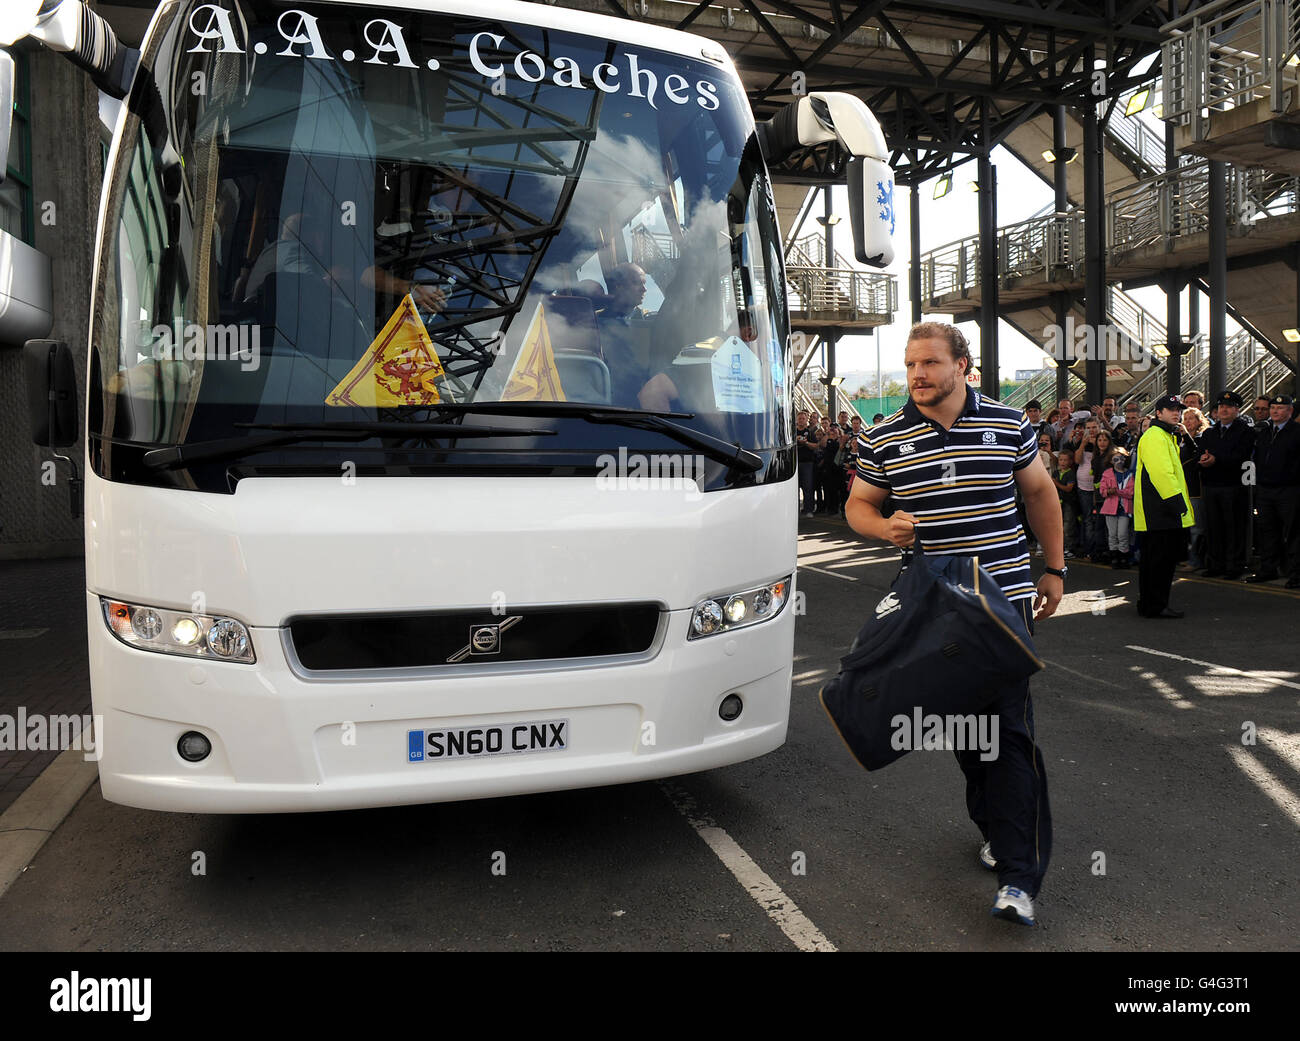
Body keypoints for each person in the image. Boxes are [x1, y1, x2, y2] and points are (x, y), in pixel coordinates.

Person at [845, 321, 1061, 927]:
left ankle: (1019, 879)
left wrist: (1055, 568)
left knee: (1010, 733)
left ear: (962, 365)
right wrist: (882, 526)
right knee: (967, 736)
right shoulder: (884, 437)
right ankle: (995, 827)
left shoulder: (1009, 423)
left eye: (930, 364)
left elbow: (1041, 494)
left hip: (1003, 607)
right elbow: (858, 505)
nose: (916, 375)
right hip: (935, 615)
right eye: (911, 365)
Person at [1134, 394, 1193, 618]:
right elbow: (1162, 473)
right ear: (1158, 413)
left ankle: (1150, 604)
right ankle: (1156, 605)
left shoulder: (1164, 435)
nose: (1176, 412)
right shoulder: (1157, 436)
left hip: (1157, 509)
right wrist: (1176, 502)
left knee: (1153, 561)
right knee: (1161, 562)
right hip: (1160, 509)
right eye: (1170, 409)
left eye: (1178, 409)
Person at [597, 262, 680, 411]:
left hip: (644, 406)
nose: (644, 289)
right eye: (637, 283)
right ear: (618, 286)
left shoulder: (652, 323)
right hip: (600, 403)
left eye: (644, 283)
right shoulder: (594, 323)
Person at [1197, 391, 1253, 580]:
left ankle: (1233, 565)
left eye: (1228, 407)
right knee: (1213, 527)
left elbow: (1243, 456)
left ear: (1237, 410)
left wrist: (1216, 459)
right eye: (1221, 407)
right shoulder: (1209, 432)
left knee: (1233, 527)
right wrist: (1203, 459)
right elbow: (1199, 453)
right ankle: (1215, 564)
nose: (1224, 410)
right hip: (1211, 486)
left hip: (1233, 486)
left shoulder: (1245, 431)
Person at [1249, 394, 1300, 587]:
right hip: (1266, 490)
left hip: (1290, 490)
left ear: (1290, 411)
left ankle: (1296, 573)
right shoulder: (1265, 432)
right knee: (1267, 531)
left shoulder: (1296, 432)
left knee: (1294, 533)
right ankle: (1268, 569)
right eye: (1273, 409)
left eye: (1280, 408)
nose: (1275, 411)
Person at [1177, 406, 1209, 571]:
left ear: (1199, 420)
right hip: (1183, 488)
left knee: (1197, 527)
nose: (1187, 421)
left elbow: (1196, 452)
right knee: (1187, 528)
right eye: (1185, 418)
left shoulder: (1202, 436)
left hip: (1196, 488)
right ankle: (1189, 557)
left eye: (1191, 418)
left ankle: (1196, 561)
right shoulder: (1181, 439)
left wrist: (1186, 435)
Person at [1099, 448, 1136, 567]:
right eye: (1115, 459)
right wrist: (1109, 491)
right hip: (1110, 508)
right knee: (1112, 534)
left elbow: (1130, 493)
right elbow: (1102, 491)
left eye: (1121, 458)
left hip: (1125, 509)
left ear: (1125, 459)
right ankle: (1114, 557)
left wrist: (1117, 492)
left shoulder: (1129, 474)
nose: (1119, 461)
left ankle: (1123, 556)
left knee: (1122, 534)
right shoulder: (1107, 473)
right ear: (1111, 461)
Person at [1054, 449, 1079, 557]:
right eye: (1060, 460)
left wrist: (1056, 483)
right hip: (1057, 502)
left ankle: (1069, 548)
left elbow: (1069, 488)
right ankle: (1060, 548)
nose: (1062, 462)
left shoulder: (1071, 474)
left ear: (1070, 462)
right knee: (1058, 525)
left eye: (1065, 460)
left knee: (1068, 525)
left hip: (1068, 502)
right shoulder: (1056, 472)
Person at [796, 409, 818, 517]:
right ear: (796, 420)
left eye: (803, 418)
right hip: (794, 464)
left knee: (808, 487)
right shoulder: (792, 433)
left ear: (806, 421)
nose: (801, 420)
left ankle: (808, 509)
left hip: (807, 464)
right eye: (799, 418)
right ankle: (794, 510)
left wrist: (806, 443)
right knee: (794, 489)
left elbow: (816, 446)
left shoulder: (810, 433)